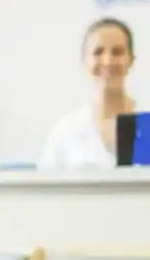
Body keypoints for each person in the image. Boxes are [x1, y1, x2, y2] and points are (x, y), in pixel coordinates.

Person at [38, 18, 136, 169]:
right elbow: (47, 190)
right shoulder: (64, 132)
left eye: (117, 52)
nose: (108, 61)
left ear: (131, 60)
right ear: (85, 61)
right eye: (98, 52)